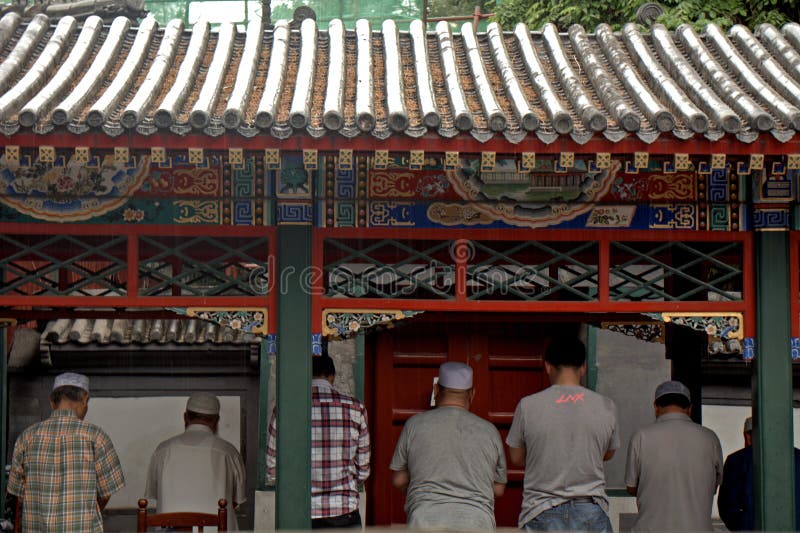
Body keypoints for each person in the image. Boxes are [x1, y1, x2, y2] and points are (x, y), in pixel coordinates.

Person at [506, 335, 619, 532]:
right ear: (583, 366)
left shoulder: (528, 405)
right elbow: (608, 453)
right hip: (590, 511)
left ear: (548, 366)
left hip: (541, 509)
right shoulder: (606, 406)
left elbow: (516, 457)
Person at [390, 361, 507, 530]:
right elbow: (498, 489)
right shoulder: (490, 431)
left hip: (424, 520)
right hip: (476, 523)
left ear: (436, 390)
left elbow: (399, 479)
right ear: (472, 394)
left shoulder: (414, 425)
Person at [6, 372, 125, 532]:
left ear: (51, 402)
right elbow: (105, 494)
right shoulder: (96, 436)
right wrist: (83, 514)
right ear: (85, 400)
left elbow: (19, 496)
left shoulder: (26, 437)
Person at [266, 352, 370, 529]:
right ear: (332, 377)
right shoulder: (355, 408)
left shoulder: (285, 408)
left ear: (307, 375)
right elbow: (363, 471)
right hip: (343, 512)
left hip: (299, 512)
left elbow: (272, 470)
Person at [625, 380, 723, 531]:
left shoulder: (641, 437)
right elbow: (714, 486)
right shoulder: (710, 438)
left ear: (656, 407)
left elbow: (632, 487)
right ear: (689, 409)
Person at [145, 392, 246, 531]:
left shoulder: (162, 450)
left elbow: (156, 494)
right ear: (216, 421)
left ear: (185, 417)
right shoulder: (229, 452)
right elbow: (235, 501)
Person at [717, 416, 800, 530]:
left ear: (748, 436)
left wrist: (741, 525)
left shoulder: (736, 460)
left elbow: (726, 504)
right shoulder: (797, 457)